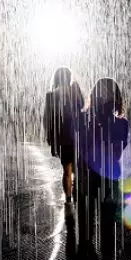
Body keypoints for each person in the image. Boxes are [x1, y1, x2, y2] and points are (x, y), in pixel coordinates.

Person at [75, 78, 131, 260]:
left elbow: (84, 149)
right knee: (98, 218)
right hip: (102, 174)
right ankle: (98, 257)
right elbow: (115, 149)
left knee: (96, 219)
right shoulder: (117, 124)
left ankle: (96, 258)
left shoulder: (89, 121)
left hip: (98, 174)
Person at [43, 67, 85, 205]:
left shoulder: (51, 96)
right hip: (77, 136)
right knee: (78, 170)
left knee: (67, 170)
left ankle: (68, 199)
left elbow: (47, 119)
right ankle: (78, 196)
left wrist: (50, 137)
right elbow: (82, 107)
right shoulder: (74, 92)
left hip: (62, 138)